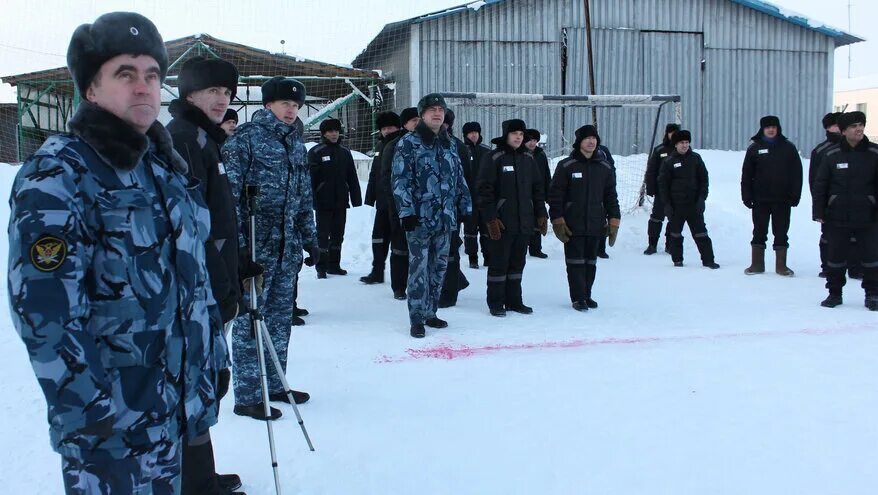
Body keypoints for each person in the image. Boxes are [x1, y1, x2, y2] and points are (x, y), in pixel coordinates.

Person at [8, 12, 222, 494]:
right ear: (90, 89)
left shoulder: (164, 172)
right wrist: (92, 416)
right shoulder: (59, 174)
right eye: (125, 74)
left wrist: (212, 362)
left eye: (152, 74)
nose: (144, 87)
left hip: (172, 410)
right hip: (110, 431)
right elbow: (44, 310)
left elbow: (195, 281)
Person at [167, 55, 247, 495]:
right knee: (196, 385)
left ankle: (200, 475)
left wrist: (238, 262)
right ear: (189, 93)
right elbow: (192, 228)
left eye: (227, 93)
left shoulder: (204, 139)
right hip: (199, 288)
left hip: (214, 280)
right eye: (213, 91)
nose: (222, 100)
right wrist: (222, 282)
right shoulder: (184, 139)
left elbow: (218, 218)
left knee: (204, 384)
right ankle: (192, 483)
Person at [222, 76, 317, 420]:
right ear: (267, 105)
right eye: (284, 104)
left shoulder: (296, 143)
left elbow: (304, 196)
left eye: (295, 105)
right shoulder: (244, 141)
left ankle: (275, 382)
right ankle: (248, 395)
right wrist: (239, 252)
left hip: (286, 248)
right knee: (251, 320)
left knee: (279, 319)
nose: (291, 110)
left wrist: (310, 239)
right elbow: (229, 200)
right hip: (255, 249)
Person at [392, 94, 471, 337]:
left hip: (446, 218)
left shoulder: (450, 143)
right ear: (422, 114)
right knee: (418, 269)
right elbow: (400, 180)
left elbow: (459, 178)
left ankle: (431, 312)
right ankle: (416, 317)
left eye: (440, 109)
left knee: (439, 268)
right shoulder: (408, 143)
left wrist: (465, 206)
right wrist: (406, 213)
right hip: (419, 219)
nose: (437, 113)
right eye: (432, 110)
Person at [477, 119, 548, 316]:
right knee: (499, 263)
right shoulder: (494, 158)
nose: (518, 137)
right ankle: (496, 302)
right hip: (501, 222)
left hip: (524, 221)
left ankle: (514, 300)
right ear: (506, 135)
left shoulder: (529, 158)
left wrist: (541, 213)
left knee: (518, 262)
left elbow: (537, 189)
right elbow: (484, 191)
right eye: (515, 133)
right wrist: (491, 217)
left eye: (521, 134)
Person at [549, 125, 621, 311]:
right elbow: (556, 196)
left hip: (596, 223)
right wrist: (557, 219)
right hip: (572, 224)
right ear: (579, 142)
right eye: (587, 138)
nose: (591, 142)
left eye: (594, 138)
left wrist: (614, 220)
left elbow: (611, 196)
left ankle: (587, 295)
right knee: (575, 263)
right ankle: (578, 297)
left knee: (590, 263)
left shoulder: (604, 167)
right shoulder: (566, 165)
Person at [811, 111, 878, 310]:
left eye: (861, 125)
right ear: (843, 130)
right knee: (835, 258)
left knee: (872, 259)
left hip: (869, 216)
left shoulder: (874, 154)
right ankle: (834, 293)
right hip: (837, 217)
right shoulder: (831, 154)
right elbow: (820, 184)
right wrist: (819, 212)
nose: (859, 129)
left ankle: (873, 294)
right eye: (853, 126)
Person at [741, 115, 803, 276]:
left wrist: (795, 195)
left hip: (782, 200)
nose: (770, 129)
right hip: (760, 199)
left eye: (773, 127)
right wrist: (746, 195)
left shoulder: (788, 148)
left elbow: (797, 174)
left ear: (778, 128)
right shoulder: (754, 148)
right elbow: (746, 174)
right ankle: (757, 265)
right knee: (759, 231)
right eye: (767, 127)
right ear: (762, 129)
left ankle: (781, 266)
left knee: (781, 232)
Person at [308, 118, 363, 278]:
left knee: (338, 234)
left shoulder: (345, 153)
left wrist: (356, 198)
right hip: (322, 201)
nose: (334, 134)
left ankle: (334, 265)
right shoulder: (316, 152)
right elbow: (310, 178)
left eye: (336, 131)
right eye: (330, 131)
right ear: (324, 133)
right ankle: (321, 267)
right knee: (322, 235)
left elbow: (352, 177)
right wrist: (312, 199)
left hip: (340, 201)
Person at [657, 130, 720, 269]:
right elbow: (663, 185)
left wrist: (702, 199)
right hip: (676, 206)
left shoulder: (696, 159)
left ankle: (708, 260)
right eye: (681, 143)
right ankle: (677, 260)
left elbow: (704, 180)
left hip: (694, 205)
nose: (685, 145)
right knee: (675, 234)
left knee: (701, 233)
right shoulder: (668, 162)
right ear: (676, 145)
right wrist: (667, 204)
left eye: (686, 142)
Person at [381, 107, 420, 300]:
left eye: (419, 119)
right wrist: (397, 206)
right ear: (404, 124)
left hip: (423, 209)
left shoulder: (429, 143)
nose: (417, 123)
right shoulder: (394, 145)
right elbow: (388, 179)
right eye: (413, 120)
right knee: (400, 248)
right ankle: (399, 286)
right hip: (399, 208)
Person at [361, 111, 401, 284]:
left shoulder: (400, 145)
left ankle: (399, 279)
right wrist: (370, 197)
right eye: (384, 128)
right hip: (382, 202)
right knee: (378, 237)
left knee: (398, 242)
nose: (386, 131)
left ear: (398, 127)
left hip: (397, 203)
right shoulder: (380, 146)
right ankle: (377, 271)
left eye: (390, 127)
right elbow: (374, 174)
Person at [438, 108, 472, 307]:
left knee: (450, 252)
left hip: (452, 210)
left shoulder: (457, 146)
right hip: (431, 211)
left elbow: (466, 179)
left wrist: (465, 208)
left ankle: (449, 292)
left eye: (445, 122)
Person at [643, 123, 680, 255]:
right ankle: (652, 244)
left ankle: (670, 245)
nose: (673, 134)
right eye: (671, 132)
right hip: (661, 192)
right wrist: (651, 187)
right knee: (656, 218)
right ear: (666, 133)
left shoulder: (683, 150)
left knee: (674, 219)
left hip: (677, 193)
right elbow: (652, 170)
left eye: (675, 132)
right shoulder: (660, 150)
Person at [462, 121, 491, 268]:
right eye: (470, 133)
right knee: (470, 230)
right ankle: (472, 258)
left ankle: (488, 256)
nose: (473, 135)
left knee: (487, 229)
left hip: (485, 199)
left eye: (476, 132)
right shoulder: (461, 150)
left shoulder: (487, 151)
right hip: (469, 199)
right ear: (466, 135)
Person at [524, 128, 551, 258]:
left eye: (534, 140)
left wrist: (548, 193)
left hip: (538, 193)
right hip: (522, 193)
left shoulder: (540, 154)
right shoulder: (520, 154)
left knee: (538, 221)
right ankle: (522, 248)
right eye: (529, 140)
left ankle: (536, 249)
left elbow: (546, 174)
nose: (532, 143)